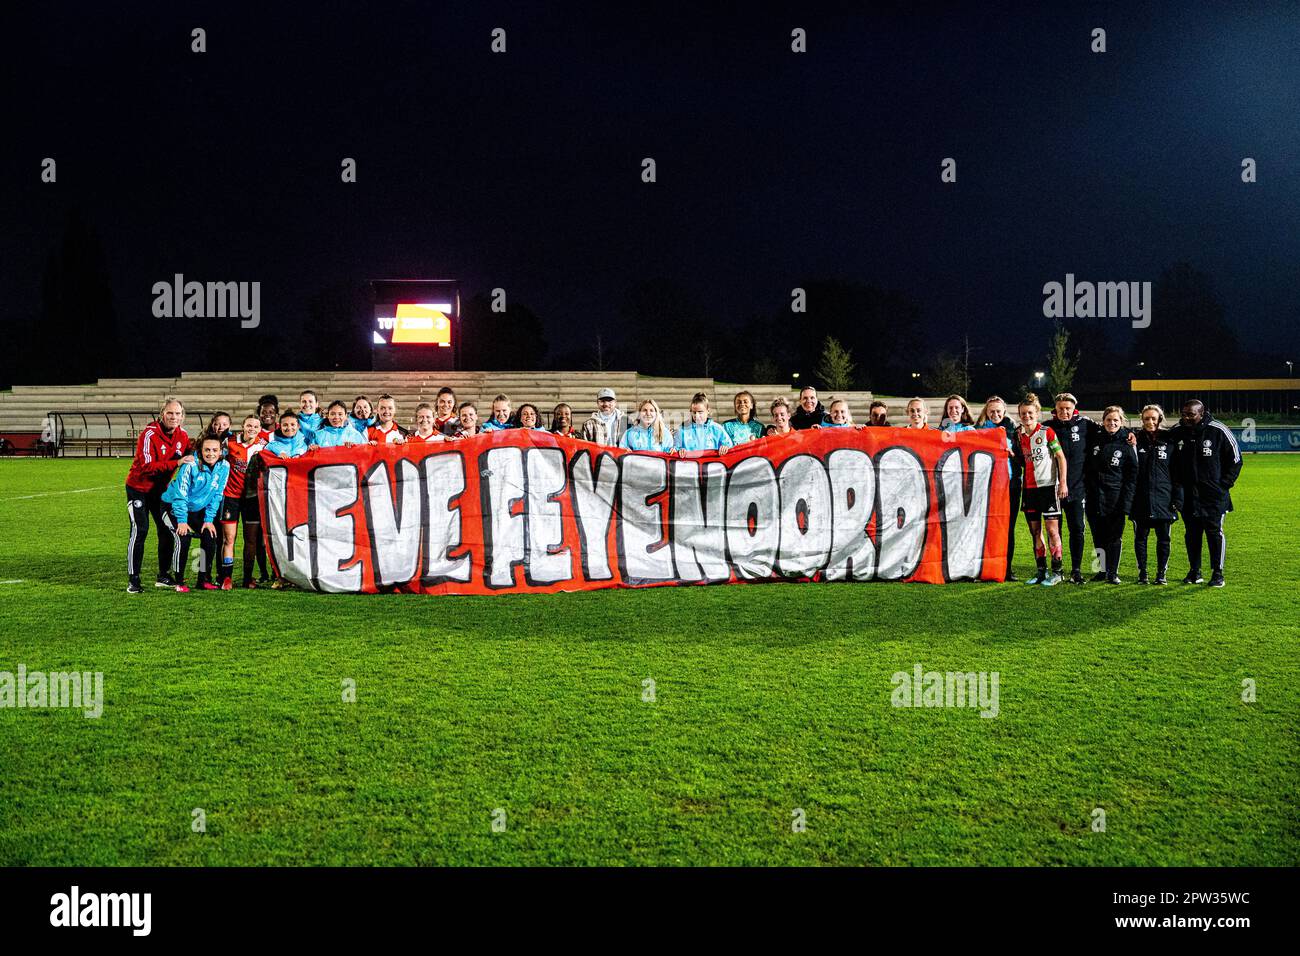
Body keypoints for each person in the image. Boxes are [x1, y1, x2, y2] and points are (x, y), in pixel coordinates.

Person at [1045, 392, 1128, 585]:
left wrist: (1127, 434)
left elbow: (1110, 429)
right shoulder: (1047, 427)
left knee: (1078, 530)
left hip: (1078, 489)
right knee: (1054, 531)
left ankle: (1077, 570)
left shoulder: (1085, 424)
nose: (1064, 412)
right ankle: (1057, 570)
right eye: (1060, 409)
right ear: (1055, 410)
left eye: (1068, 408)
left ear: (1074, 408)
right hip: (1051, 489)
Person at [1167, 399, 1242, 587]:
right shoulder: (1177, 431)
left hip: (1213, 496)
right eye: (1183, 414)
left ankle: (1218, 573)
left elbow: (1236, 460)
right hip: (1188, 496)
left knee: (1214, 532)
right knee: (1191, 533)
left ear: (1201, 413)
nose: (1186, 417)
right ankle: (1195, 571)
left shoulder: (1218, 430)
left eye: (1190, 414)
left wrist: (1223, 485)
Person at [124, 398, 192, 592]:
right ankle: (133, 579)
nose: (174, 417)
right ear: (162, 414)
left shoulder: (183, 435)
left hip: (161, 492)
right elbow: (146, 467)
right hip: (138, 488)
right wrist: (176, 463)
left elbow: (192, 455)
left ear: (182, 416)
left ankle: (163, 575)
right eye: (170, 413)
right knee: (140, 530)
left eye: (178, 413)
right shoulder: (149, 434)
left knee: (166, 530)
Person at [161, 435, 230, 592]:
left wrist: (209, 520)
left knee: (210, 535)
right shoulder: (190, 465)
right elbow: (180, 495)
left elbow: (217, 495)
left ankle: (203, 580)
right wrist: (182, 520)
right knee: (183, 537)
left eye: (214, 450)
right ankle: (179, 582)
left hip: (198, 510)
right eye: (207, 450)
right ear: (201, 450)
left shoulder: (224, 466)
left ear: (221, 452)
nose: (210, 453)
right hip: (172, 507)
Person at [1017, 394, 1069, 586]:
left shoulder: (1047, 432)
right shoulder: (1018, 434)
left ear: (1036, 413)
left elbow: (1061, 457)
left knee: (1052, 531)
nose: (1026, 416)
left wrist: (1062, 483)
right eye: (1023, 413)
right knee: (1035, 531)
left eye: (1030, 413)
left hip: (1048, 487)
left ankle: (1058, 572)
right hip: (1029, 490)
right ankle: (1041, 571)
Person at [1084, 406, 1138, 584]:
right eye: (1108, 420)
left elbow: (1131, 476)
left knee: (1114, 537)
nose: (1112, 423)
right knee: (1097, 536)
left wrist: (1126, 503)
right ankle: (1100, 570)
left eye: (1116, 420)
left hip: (1115, 499)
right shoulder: (1095, 438)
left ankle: (1113, 573)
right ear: (1103, 421)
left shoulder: (1127, 443)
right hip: (1094, 497)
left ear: (1122, 422)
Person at [1131, 404, 1180, 585]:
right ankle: (1142, 573)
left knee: (1164, 539)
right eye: (1146, 419)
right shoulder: (1134, 439)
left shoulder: (1169, 440)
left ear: (1160, 419)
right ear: (1142, 420)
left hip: (1164, 499)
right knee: (1140, 538)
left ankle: (1161, 574)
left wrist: (1177, 498)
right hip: (1140, 500)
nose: (1150, 422)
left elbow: (1176, 473)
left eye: (1154, 418)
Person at [977, 395, 1024, 581]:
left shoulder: (1014, 431)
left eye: (998, 411)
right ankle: (986, 567)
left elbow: (1022, 460)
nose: (995, 414)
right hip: (987, 486)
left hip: (1010, 485)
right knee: (987, 527)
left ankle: (1007, 568)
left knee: (1008, 528)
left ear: (1004, 412)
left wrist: (1013, 454)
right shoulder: (978, 431)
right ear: (986, 413)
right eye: (992, 411)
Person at [219, 415, 266, 590]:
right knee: (229, 539)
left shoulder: (264, 446)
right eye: (249, 425)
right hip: (231, 496)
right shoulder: (230, 443)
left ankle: (248, 578)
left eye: (255, 426)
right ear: (243, 427)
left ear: (260, 429)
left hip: (252, 499)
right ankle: (227, 578)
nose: (252, 429)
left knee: (251, 540)